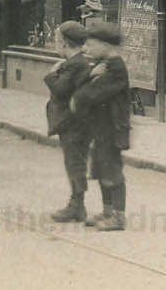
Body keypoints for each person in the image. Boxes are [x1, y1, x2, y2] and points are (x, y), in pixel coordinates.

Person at [71, 23, 132, 231]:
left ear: (105, 45)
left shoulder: (115, 69)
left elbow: (90, 95)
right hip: (101, 127)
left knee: (112, 169)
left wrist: (81, 95)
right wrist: (91, 75)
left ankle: (118, 216)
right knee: (100, 167)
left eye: (90, 45)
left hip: (112, 129)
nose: (86, 50)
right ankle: (108, 210)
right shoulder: (102, 66)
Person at [44, 21, 94, 221]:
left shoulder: (76, 65)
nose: (56, 45)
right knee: (74, 162)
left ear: (64, 43)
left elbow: (60, 90)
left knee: (75, 163)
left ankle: (77, 205)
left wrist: (51, 74)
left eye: (56, 40)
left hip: (75, 123)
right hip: (74, 122)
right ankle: (76, 203)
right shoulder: (75, 64)